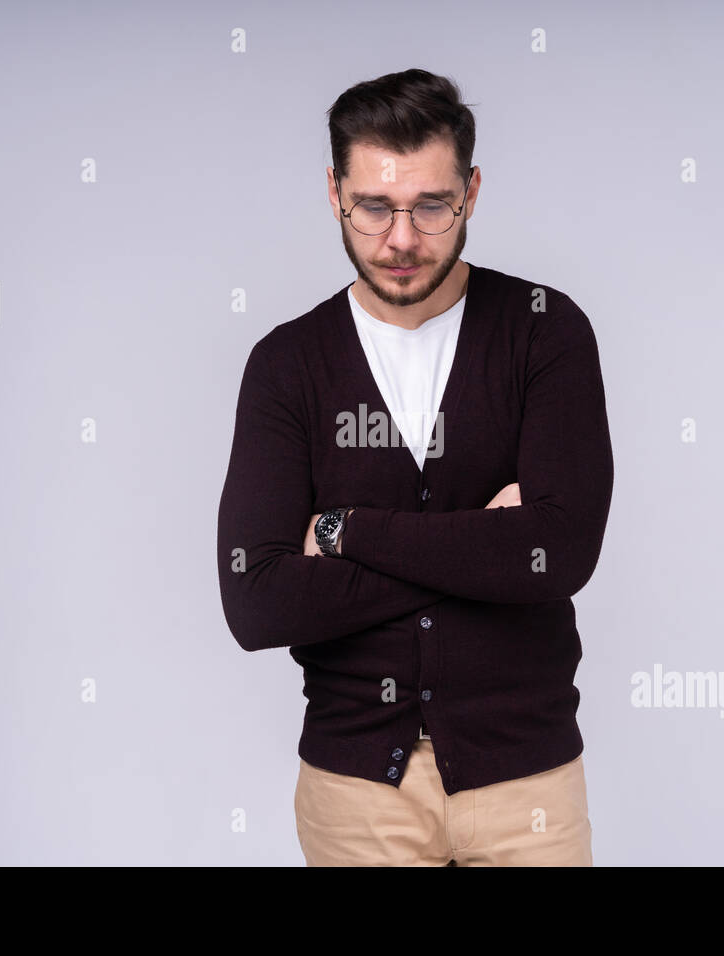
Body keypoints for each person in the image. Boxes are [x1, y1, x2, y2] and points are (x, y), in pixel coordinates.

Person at [217, 68, 613, 865]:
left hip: (525, 782)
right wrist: (482, 547)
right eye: (374, 206)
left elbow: (560, 554)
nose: (402, 239)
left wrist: (346, 530)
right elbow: (257, 603)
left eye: (432, 205)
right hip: (359, 792)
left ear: (471, 190)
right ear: (334, 192)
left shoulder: (545, 333)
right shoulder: (288, 364)